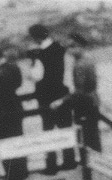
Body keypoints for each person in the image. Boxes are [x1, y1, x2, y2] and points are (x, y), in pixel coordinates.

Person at [26, 23, 72, 170]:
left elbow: (37, 76)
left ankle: (51, 165)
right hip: (61, 93)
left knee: (48, 132)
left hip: (46, 97)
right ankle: (69, 161)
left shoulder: (39, 54)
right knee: (65, 130)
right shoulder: (60, 48)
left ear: (36, 38)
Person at [0, 44, 28, 180]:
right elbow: (18, 84)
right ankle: (22, 171)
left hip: (3, 113)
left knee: (5, 143)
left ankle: (11, 175)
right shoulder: (14, 67)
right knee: (18, 139)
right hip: (16, 107)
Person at [54, 35, 101, 153]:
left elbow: (80, 90)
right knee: (93, 137)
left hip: (85, 103)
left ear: (81, 46)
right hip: (93, 100)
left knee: (87, 139)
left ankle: (90, 162)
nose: (69, 50)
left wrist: (62, 100)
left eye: (72, 46)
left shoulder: (80, 64)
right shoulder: (88, 60)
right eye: (67, 47)